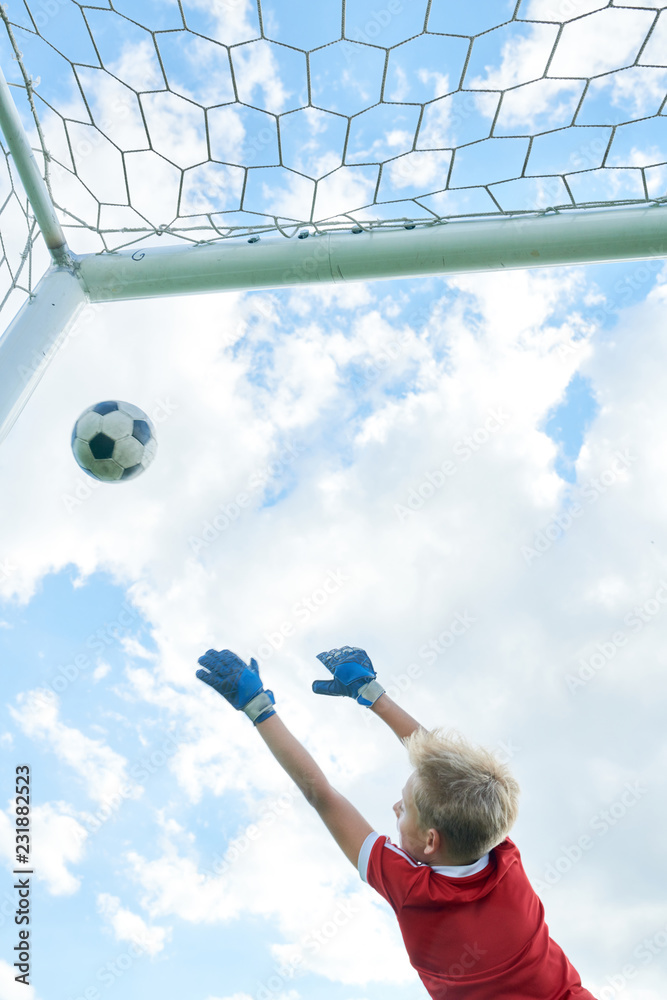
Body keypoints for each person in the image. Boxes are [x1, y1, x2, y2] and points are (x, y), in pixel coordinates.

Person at [196, 644, 598, 1000]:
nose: (394, 807)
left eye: (404, 808)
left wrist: (259, 709)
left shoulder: (415, 890)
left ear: (430, 842)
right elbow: (438, 766)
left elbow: (322, 795)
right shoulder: (503, 859)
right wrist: (373, 695)